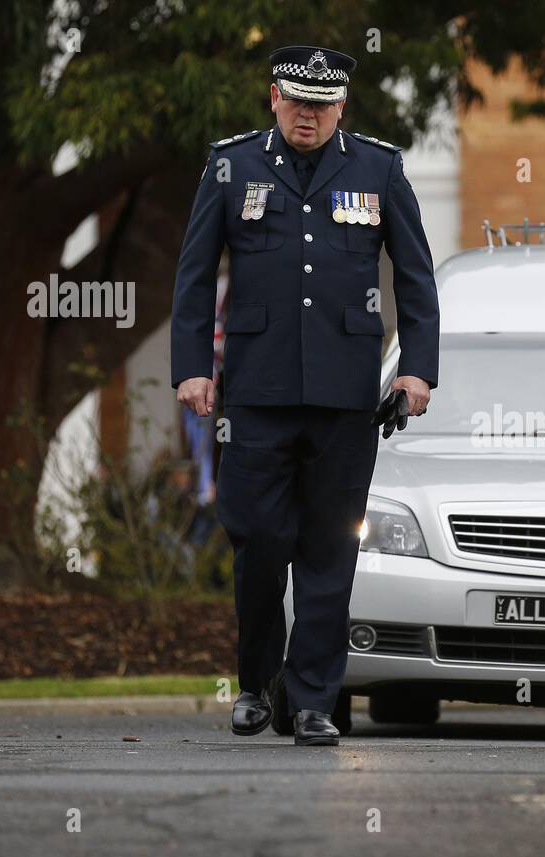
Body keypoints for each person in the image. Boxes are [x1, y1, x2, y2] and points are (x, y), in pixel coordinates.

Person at [170, 45, 439, 746]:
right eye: (296, 103)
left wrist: (418, 370)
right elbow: (195, 273)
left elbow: (416, 277)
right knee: (257, 541)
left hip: (345, 396)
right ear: (274, 100)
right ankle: (256, 682)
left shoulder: (379, 168)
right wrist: (192, 366)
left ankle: (314, 697)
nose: (308, 116)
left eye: (321, 106)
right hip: (255, 393)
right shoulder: (231, 165)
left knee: (329, 549)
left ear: (341, 107)